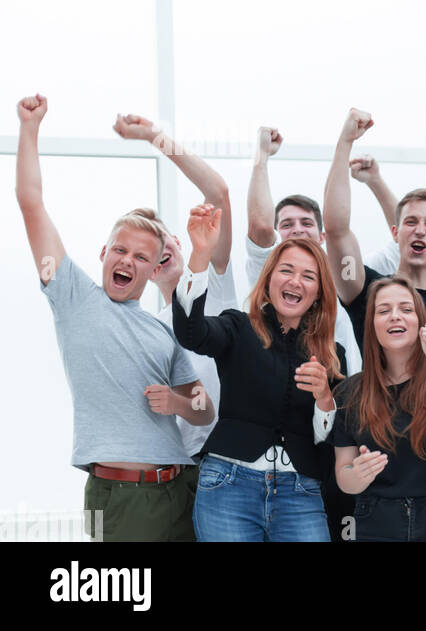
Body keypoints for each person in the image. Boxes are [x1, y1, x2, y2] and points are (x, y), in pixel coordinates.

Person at [17, 94, 214, 541]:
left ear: (153, 267)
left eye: (141, 256)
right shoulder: (72, 296)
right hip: (122, 499)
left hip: (182, 490)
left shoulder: (163, 332)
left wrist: (178, 403)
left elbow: (204, 410)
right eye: (120, 250)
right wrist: (30, 128)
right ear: (104, 254)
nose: (127, 260)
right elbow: (31, 204)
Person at [173, 203, 346, 542]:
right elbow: (191, 333)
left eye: (308, 276)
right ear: (268, 279)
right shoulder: (237, 327)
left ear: (318, 293)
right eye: (286, 271)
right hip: (228, 485)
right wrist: (200, 254)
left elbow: (328, 441)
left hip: (300, 492)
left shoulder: (331, 355)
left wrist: (325, 398)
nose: (296, 281)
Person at [112, 113, 238, 460]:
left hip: (237, 459)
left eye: (163, 238)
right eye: (147, 250)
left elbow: (218, 192)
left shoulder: (216, 285)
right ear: (146, 269)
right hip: (184, 463)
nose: (161, 248)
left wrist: (155, 136)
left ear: (181, 243)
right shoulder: (151, 327)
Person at [331, 277, 426, 541]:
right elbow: (343, 476)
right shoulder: (349, 392)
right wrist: (357, 474)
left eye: (406, 309)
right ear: (372, 325)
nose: (395, 317)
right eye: (383, 311)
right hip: (375, 521)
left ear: (420, 321)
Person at [322, 108, 426, 370]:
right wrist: (345, 142)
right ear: (395, 232)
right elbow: (336, 230)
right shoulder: (367, 290)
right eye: (411, 222)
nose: (420, 230)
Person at [246, 127, 400, 377]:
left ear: (322, 236)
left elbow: (400, 242)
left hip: (343, 399)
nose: (297, 230)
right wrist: (261, 156)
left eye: (306, 223)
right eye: (287, 224)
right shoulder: (268, 270)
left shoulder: (348, 273)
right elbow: (260, 226)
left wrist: (376, 182)